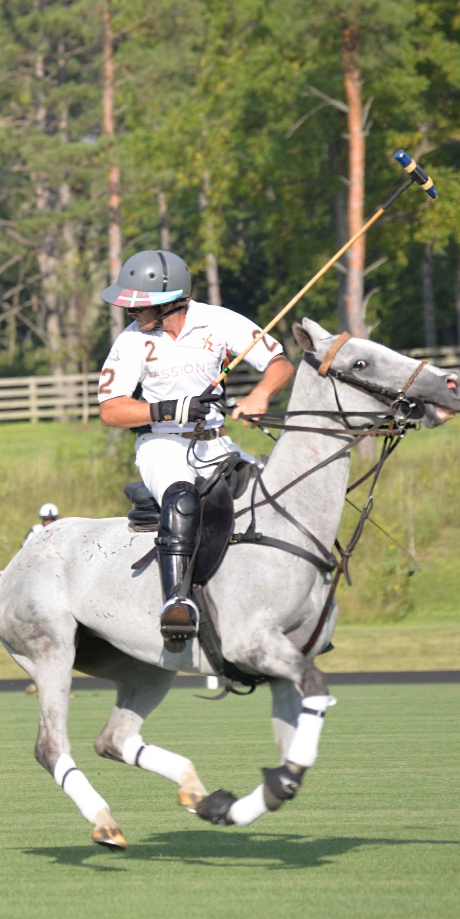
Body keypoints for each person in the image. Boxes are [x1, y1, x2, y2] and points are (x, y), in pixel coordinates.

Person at [95, 250, 294, 639]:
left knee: (275, 494)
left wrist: (260, 395)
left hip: (217, 444)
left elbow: (280, 364)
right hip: (162, 446)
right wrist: (172, 409)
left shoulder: (218, 321)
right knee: (182, 500)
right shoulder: (131, 341)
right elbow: (111, 410)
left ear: (170, 301)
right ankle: (177, 602)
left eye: (138, 304)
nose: (130, 311)